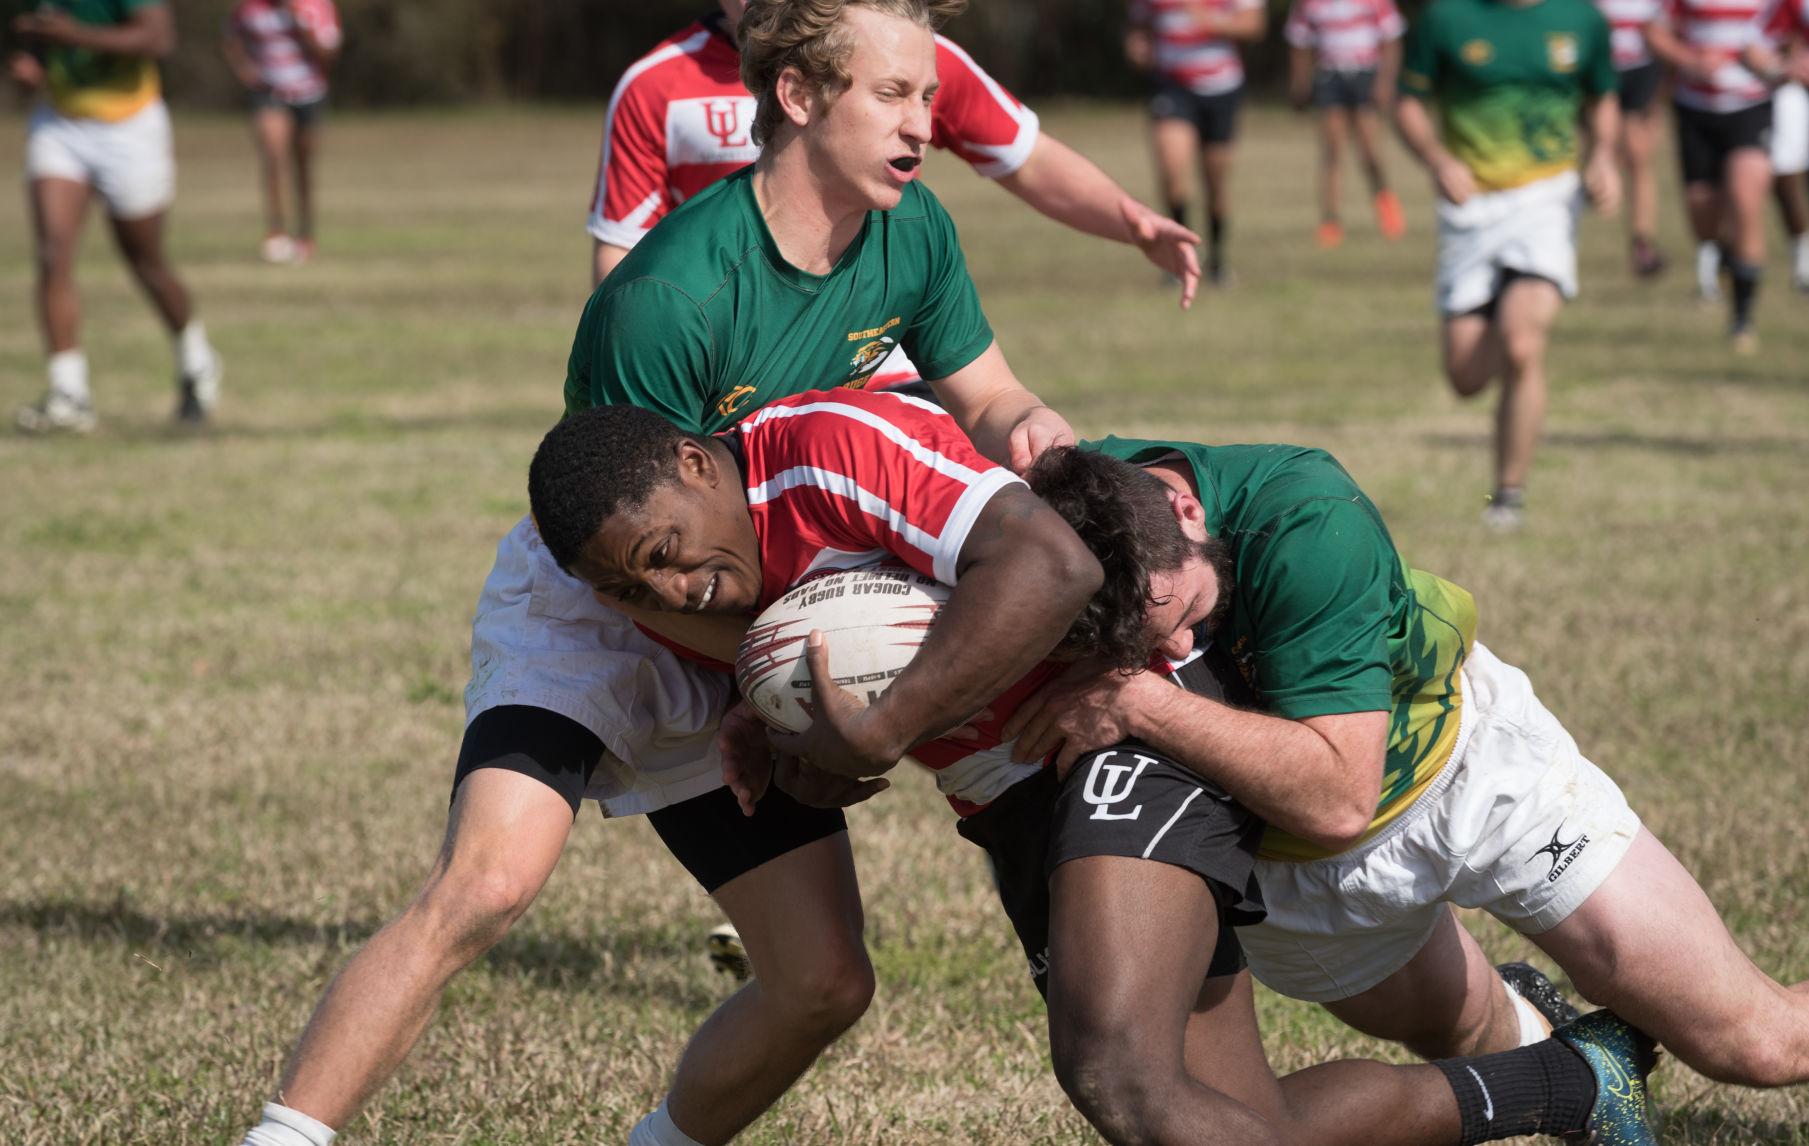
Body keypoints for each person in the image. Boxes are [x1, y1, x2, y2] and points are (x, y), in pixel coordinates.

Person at [236, 4, 1076, 1145]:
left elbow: (988, 394)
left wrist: (1048, 450)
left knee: (824, 984)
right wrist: (789, 685)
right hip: (603, 606)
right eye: (894, 95)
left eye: (927, 97)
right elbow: (631, 555)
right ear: (796, 97)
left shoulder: (913, 230)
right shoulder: (665, 303)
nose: (924, 124)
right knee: (488, 887)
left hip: (754, 617)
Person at [536, 395, 1663, 1146]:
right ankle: (1568, 1085)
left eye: (667, 553)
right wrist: (794, 739)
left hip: (1113, 738)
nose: (676, 591)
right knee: (1226, 1118)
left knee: (1118, 1072)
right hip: (1015, 803)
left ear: (694, 462)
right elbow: (873, 671)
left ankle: (1565, 1080)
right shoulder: (726, 572)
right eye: (638, 588)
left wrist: (877, 737)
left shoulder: (824, 450)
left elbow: (1052, 562)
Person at [1002, 438, 1809, 1125]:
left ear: (1186, 513)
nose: (1176, 652)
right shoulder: (1054, 524)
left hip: (1468, 773)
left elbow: (1336, 798)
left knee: (1758, 1043)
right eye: (1133, 647)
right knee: (1476, 1038)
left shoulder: (1300, 516)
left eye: (1182, 613)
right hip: (1295, 876)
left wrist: (1140, 698)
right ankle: (1589, 1076)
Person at [588, 0, 1205, 318]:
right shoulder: (656, 85)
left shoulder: (901, 60)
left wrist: (1130, 220)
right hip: (723, 361)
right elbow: (623, 250)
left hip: (873, 360)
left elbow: (1028, 159)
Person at [1393, 0, 1622, 531]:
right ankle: (1505, 312)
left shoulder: (1581, 18)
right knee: (1465, 376)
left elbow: (1603, 96)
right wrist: (1438, 159)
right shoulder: (1447, 17)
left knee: (1522, 343)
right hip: (1470, 207)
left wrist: (1605, 153)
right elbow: (1406, 103)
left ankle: (1508, 495)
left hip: (1548, 201)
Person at [9, 0, 223, 434]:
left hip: (129, 125)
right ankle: (69, 393)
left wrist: (74, 36)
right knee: (53, 254)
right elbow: (41, 38)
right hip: (61, 123)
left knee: (146, 261)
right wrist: (31, 63)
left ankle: (195, 358)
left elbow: (158, 38)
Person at [1646, 0, 1776, 347]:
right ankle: (1725, 257)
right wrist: (1689, 61)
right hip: (1696, 110)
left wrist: (1775, 64)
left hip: (1752, 106)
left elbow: (1793, 34)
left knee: (1745, 199)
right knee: (1702, 211)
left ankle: (1742, 319)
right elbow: (1654, 33)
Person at [1126, 0, 1267, 285]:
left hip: (1221, 87)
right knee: (1173, 172)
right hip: (1171, 85)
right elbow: (1138, 24)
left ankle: (1216, 259)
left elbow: (1254, 25)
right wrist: (1137, 46)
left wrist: (1210, 22)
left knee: (1215, 185)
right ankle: (1179, 258)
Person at [222, 0, 342, 265]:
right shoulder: (248, 7)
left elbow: (328, 54)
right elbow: (231, 38)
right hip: (268, 93)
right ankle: (276, 234)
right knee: (274, 156)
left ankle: (306, 233)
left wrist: (299, 21)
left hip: (309, 92)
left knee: (303, 166)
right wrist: (244, 70)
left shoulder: (316, 5)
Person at [1284, 0, 1409, 248]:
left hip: (1365, 73)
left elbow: (1391, 40)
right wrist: (1300, 82)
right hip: (1330, 75)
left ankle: (1385, 202)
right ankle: (1331, 220)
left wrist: (1385, 81)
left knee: (1369, 151)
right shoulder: (1310, 4)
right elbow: (1299, 42)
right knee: (1332, 151)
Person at [1594, 0, 1670, 275]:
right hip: (1597, 67)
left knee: (1639, 155)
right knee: (1598, 155)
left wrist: (1661, 94)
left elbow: (1667, 23)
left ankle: (1642, 243)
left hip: (1641, 68)